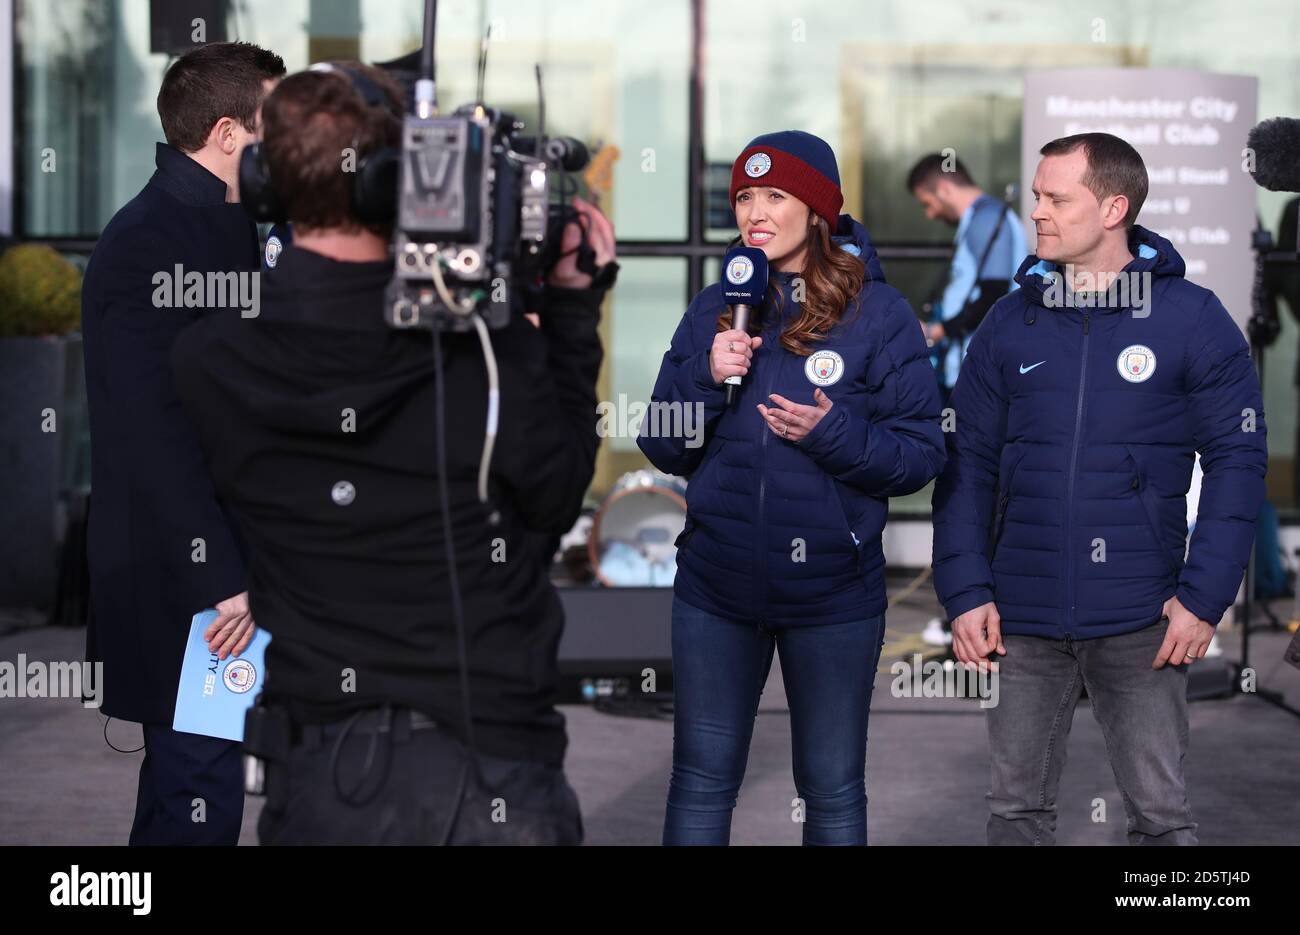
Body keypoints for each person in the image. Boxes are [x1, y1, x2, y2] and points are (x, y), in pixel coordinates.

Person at [171, 63, 617, 844]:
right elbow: (553, 497)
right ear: (395, 185)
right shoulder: (486, 348)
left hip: (317, 777)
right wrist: (571, 315)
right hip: (495, 770)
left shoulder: (210, 359)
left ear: (266, 185)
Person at [932, 132, 1268, 845]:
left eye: (1057, 198)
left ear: (1114, 207)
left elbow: (1238, 461)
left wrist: (1204, 597)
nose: (1038, 213)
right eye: (1037, 196)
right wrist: (965, 589)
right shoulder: (1007, 323)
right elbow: (968, 462)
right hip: (1018, 616)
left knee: (1161, 818)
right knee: (1015, 814)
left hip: (1145, 618)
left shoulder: (1191, 318)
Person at [638, 130, 946, 845]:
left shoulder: (880, 314)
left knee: (832, 791)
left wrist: (831, 433)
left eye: (775, 194)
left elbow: (922, 453)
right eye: (745, 196)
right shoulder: (716, 305)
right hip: (715, 586)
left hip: (834, 595)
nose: (755, 211)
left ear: (817, 209)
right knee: (701, 780)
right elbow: (662, 442)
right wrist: (704, 378)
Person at [81, 40, 285, 846]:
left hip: (216, 574)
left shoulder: (232, 225)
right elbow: (152, 435)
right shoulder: (145, 242)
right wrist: (222, 583)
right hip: (189, 586)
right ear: (230, 132)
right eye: (276, 118)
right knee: (202, 788)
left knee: (183, 790)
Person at [907, 153, 1026, 404]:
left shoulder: (987, 218)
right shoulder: (981, 218)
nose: (929, 214)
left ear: (944, 189)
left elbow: (994, 296)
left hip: (980, 374)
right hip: (971, 368)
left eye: (927, 203)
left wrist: (936, 331)